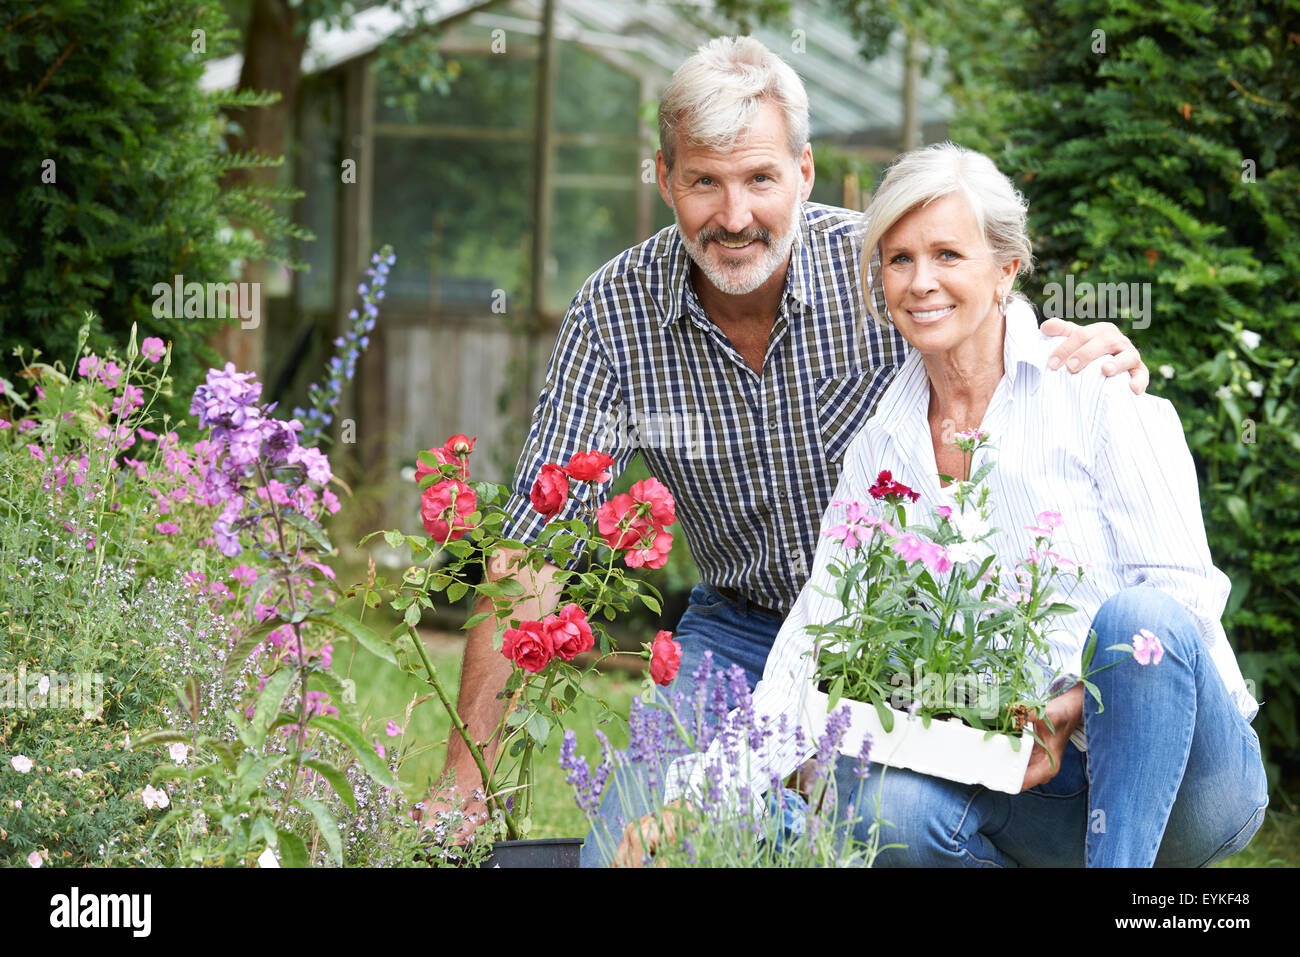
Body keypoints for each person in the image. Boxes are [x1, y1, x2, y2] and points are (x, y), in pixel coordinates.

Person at [430, 36, 1148, 866]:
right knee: (626, 852)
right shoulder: (615, 313)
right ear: (664, 179)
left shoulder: (880, 274)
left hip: (892, 647)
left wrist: (1101, 347)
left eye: (760, 178)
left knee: (878, 835)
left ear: (804, 172)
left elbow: (995, 330)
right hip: (733, 632)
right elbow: (534, 549)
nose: (734, 216)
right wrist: (464, 778)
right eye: (705, 180)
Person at [621, 142, 1266, 868]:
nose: (921, 282)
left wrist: (1073, 705)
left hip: (1186, 776)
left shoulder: (1095, 391)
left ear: (1006, 269)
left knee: (1138, 620)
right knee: (884, 807)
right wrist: (687, 803)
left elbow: (1183, 612)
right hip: (1037, 787)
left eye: (948, 255)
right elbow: (810, 644)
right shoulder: (880, 449)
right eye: (899, 259)